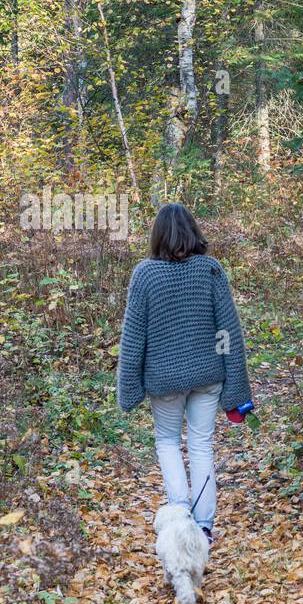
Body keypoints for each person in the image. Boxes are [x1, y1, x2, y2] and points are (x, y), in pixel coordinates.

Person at [116, 203, 252, 543]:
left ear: (157, 234)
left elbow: (135, 335)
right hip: (208, 376)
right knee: (202, 446)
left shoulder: (145, 274)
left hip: (163, 381)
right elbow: (228, 332)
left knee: (167, 443)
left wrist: (129, 385)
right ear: (193, 230)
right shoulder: (210, 269)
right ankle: (204, 527)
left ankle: (180, 518)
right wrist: (236, 385)